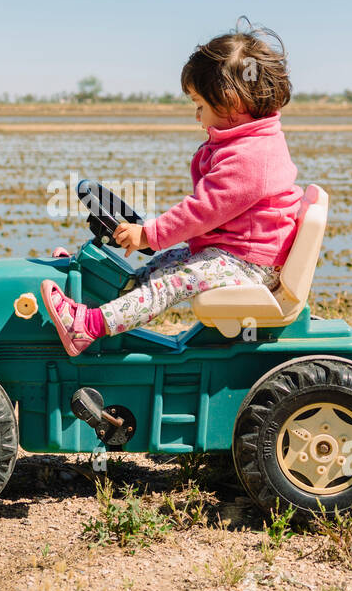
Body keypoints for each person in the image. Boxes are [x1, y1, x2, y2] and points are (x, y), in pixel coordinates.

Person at [40, 20, 305, 355]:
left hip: (249, 265)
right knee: (156, 268)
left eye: (200, 106)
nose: (197, 117)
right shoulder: (249, 143)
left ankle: (88, 327)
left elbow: (203, 211)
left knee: (168, 283)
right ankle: (93, 291)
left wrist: (149, 234)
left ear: (231, 103)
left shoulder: (251, 156)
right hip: (236, 254)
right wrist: (151, 236)